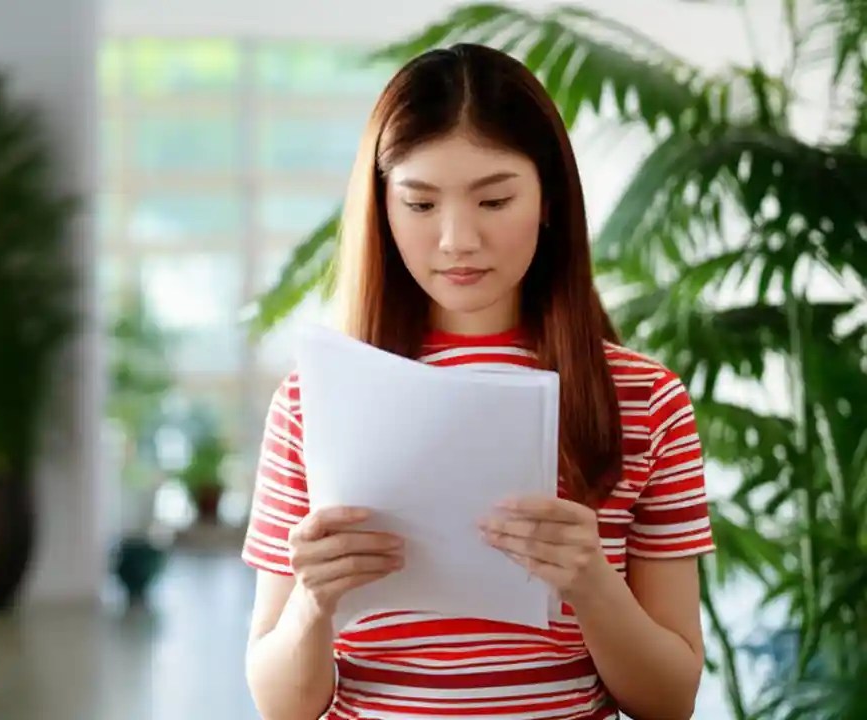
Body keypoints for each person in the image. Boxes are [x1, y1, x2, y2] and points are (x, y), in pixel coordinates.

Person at [241, 44, 713, 720]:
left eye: (494, 199)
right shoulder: (314, 401)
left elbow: (670, 702)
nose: (458, 239)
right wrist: (314, 602)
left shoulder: (645, 400)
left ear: (549, 200)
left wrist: (591, 584)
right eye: (421, 202)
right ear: (383, 209)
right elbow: (281, 705)